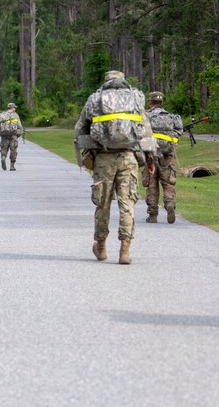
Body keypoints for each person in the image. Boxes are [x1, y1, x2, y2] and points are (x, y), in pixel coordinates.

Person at [74, 70, 154, 265]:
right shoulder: (135, 98)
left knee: (103, 204)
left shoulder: (96, 98)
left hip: (103, 158)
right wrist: (150, 160)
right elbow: (146, 130)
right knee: (127, 204)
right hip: (128, 157)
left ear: (106, 81)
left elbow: (80, 129)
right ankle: (125, 250)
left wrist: (88, 153)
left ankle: (100, 247)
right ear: (122, 80)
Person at [144, 91, 183, 224]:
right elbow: (178, 132)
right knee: (168, 183)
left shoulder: (146, 116)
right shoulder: (172, 117)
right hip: (167, 155)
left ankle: (153, 215)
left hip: (151, 155)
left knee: (152, 184)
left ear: (150, 102)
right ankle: (170, 204)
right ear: (162, 102)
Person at [0, 103, 24, 171]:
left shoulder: (2, 114)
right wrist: (21, 131)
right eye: (15, 107)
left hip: (4, 134)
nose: (15, 109)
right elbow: (19, 125)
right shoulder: (15, 115)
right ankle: (12, 166)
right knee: (13, 149)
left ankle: (3, 157)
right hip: (13, 134)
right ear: (12, 108)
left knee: (4, 147)